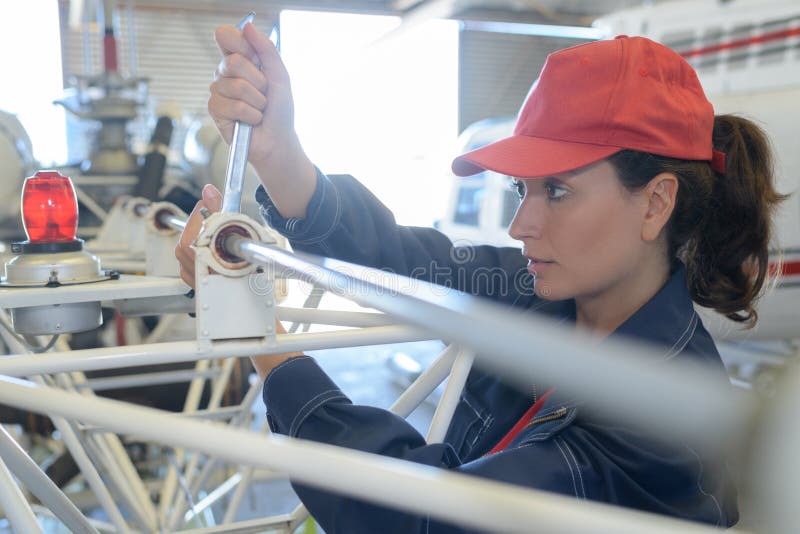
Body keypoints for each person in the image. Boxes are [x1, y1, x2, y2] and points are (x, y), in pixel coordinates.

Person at [176, 24, 786, 532]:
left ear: (655, 204)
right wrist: (279, 153)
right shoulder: (537, 292)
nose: (521, 224)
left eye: (558, 190)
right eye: (523, 189)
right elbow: (395, 257)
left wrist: (260, 342)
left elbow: (418, 518)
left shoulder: (662, 425)